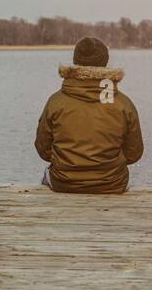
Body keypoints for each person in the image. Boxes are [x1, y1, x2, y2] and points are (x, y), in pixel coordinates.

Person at [34, 36, 143, 194]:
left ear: (76, 61)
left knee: (46, 176)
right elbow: (134, 153)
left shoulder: (56, 101)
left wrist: (68, 161)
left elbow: (43, 149)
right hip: (112, 183)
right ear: (105, 62)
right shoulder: (123, 103)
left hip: (64, 182)